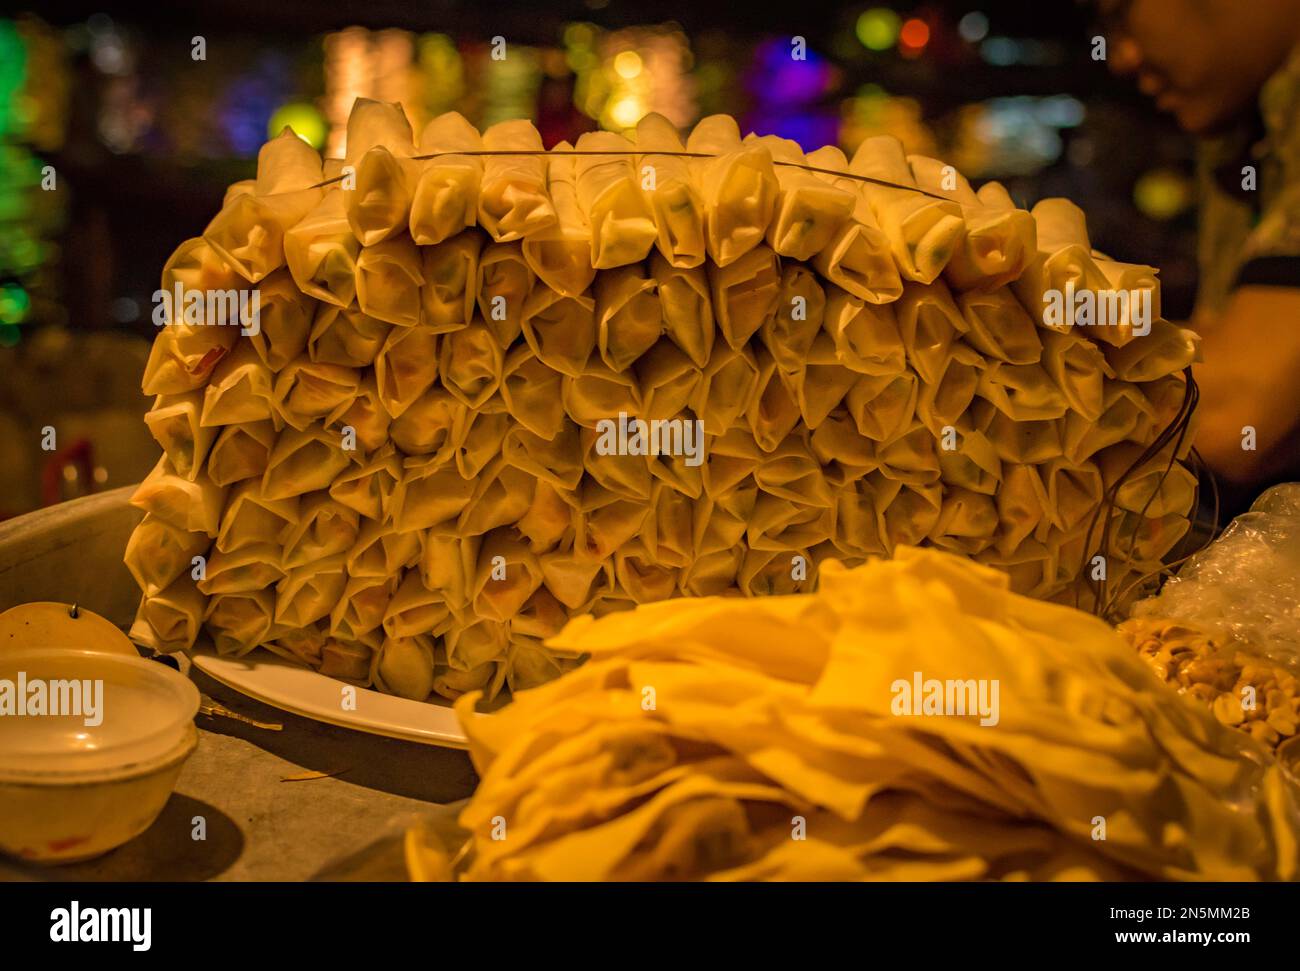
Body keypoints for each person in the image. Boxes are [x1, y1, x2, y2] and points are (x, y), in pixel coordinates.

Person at [1098, 0, 1300, 513]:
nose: (1119, 57)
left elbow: (1236, 419)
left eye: (1118, 11)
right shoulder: (1244, 128)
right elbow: (1208, 352)